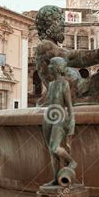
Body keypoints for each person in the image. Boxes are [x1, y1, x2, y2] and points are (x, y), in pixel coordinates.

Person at [42, 57, 76, 185]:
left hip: (60, 117)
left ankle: (71, 161)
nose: (49, 67)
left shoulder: (64, 84)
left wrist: (72, 122)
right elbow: (48, 102)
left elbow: (69, 105)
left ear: (56, 67)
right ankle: (56, 179)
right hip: (48, 118)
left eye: (51, 64)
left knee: (55, 148)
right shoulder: (51, 84)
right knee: (51, 152)